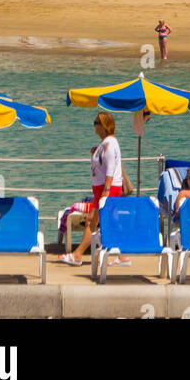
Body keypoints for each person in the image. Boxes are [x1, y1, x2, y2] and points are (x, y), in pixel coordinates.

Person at [60, 112, 127, 266]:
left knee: (93, 220)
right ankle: (123, 256)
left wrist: (106, 190)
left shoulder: (109, 144)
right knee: (109, 220)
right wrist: (96, 151)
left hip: (107, 189)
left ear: (104, 125)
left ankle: (77, 255)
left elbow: (111, 168)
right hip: (102, 189)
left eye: (96, 122)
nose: (94, 125)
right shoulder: (106, 143)